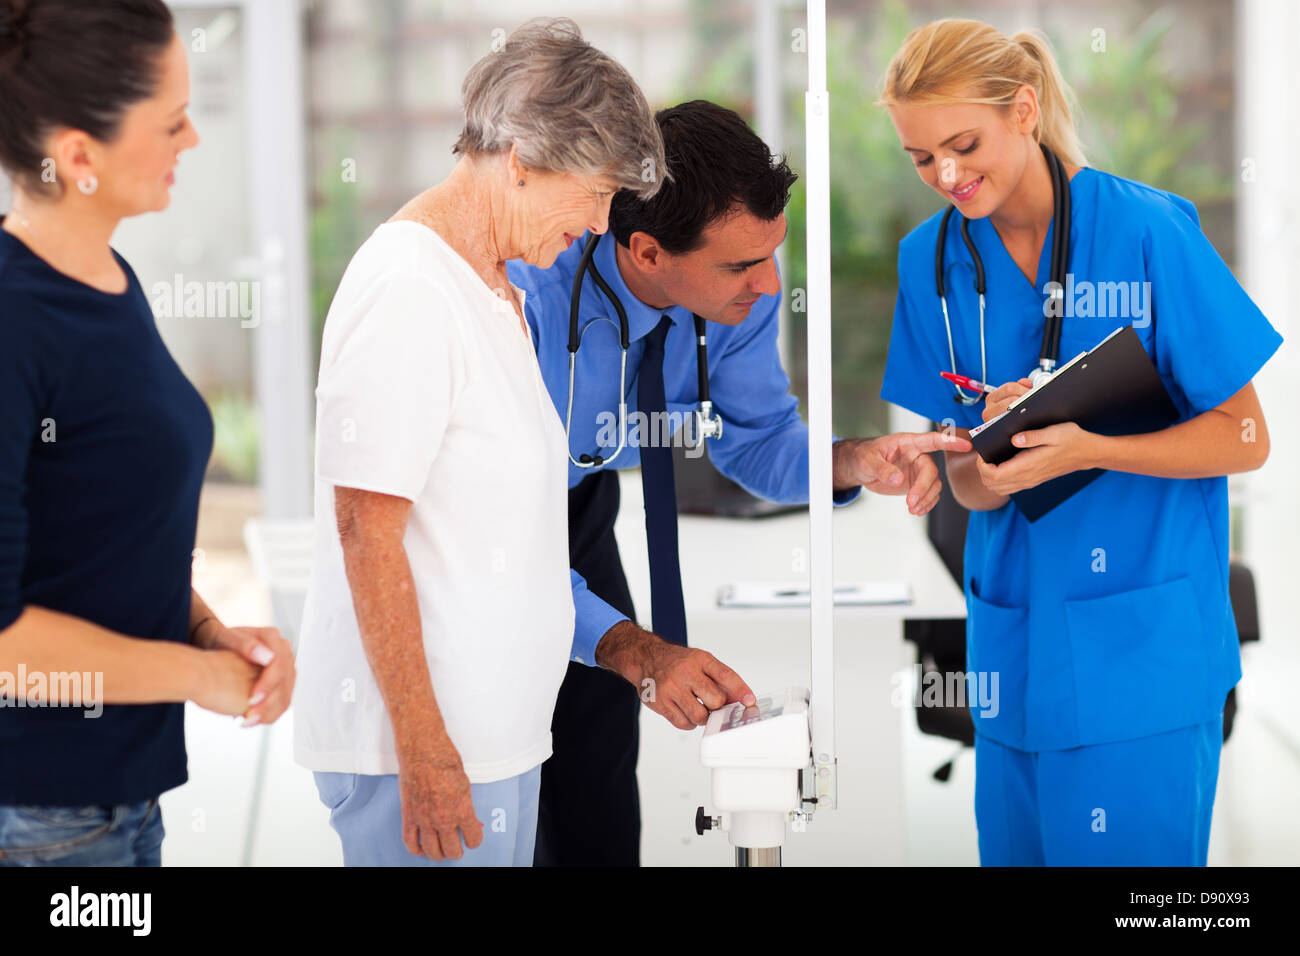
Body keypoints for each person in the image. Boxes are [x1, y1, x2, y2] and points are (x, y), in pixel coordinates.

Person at [509, 98, 968, 866]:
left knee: (597, 778)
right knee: (508, 777)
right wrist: (632, 646)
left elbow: (756, 442)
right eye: (740, 265)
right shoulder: (530, 301)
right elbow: (494, 540)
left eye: (773, 252)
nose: (767, 284)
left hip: (579, 505)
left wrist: (850, 460)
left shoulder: (738, 297)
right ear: (647, 252)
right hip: (487, 527)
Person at [876, 18, 1281, 865]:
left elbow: (1246, 437)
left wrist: (1091, 446)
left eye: (963, 143)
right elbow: (970, 488)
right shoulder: (930, 261)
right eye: (921, 157)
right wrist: (991, 460)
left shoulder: (1147, 232)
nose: (945, 175)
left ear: (1023, 110)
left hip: (1144, 659)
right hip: (1011, 658)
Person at [292, 18, 671, 867]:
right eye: (598, 192)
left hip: (494, 745)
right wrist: (425, 751)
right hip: (424, 759)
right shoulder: (409, 287)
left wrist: (625, 647)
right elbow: (366, 531)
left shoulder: (497, 292)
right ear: (524, 161)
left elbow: (505, 547)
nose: (604, 224)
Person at [0, 0, 294, 867]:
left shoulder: (108, 277)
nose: (193, 140)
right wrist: (197, 676)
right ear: (79, 154)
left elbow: (95, 543)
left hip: (118, 797)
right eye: (171, 121)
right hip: (41, 815)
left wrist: (208, 632)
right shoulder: (14, 320)